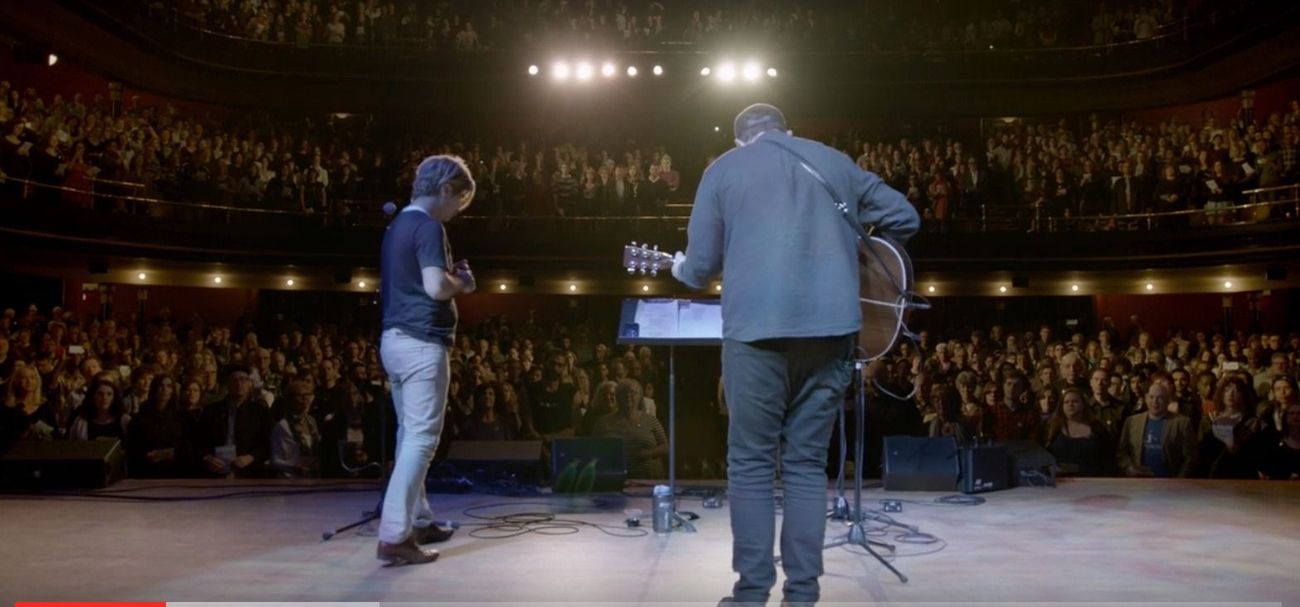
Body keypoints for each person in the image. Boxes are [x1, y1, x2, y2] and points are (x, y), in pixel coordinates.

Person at [671, 103, 919, 606]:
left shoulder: (722, 170)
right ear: (788, 130)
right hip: (831, 333)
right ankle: (802, 595)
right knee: (806, 463)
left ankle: (751, 593)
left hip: (756, 336)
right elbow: (905, 218)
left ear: (741, 139)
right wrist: (855, 254)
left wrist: (678, 268)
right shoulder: (834, 162)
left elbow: (698, 270)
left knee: (752, 464)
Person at [376, 155, 476, 567]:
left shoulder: (398, 224)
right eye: (459, 201)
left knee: (407, 435)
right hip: (422, 342)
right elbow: (436, 287)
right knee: (421, 439)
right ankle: (395, 535)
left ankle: (419, 519)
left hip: (394, 340)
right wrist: (464, 283)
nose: (456, 211)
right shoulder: (429, 226)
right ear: (446, 189)